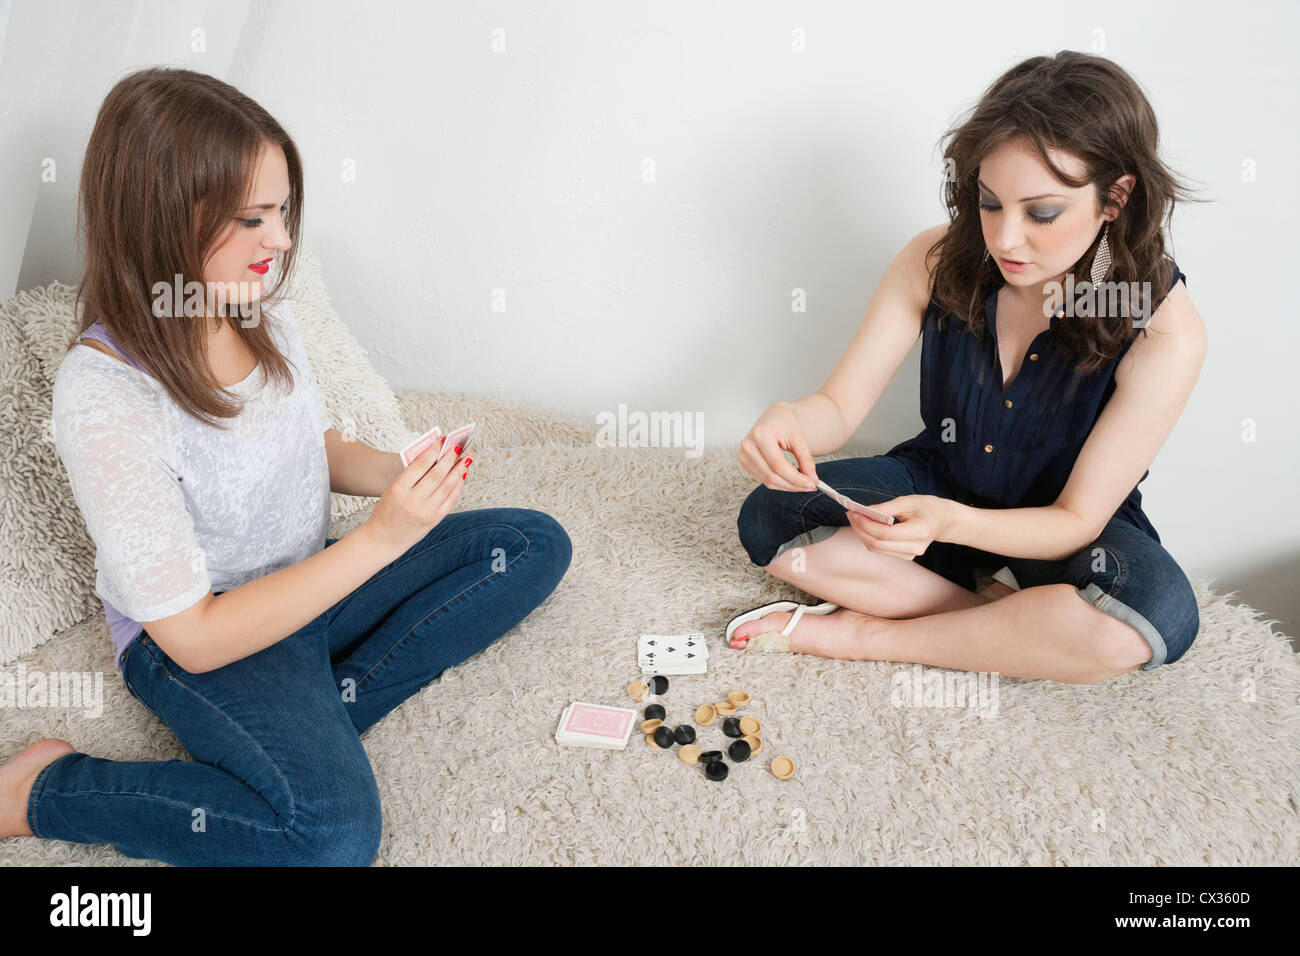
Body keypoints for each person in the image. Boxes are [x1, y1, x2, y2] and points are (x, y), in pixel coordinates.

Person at [0, 67, 571, 864]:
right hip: (208, 638)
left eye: (282, 211)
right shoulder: (104, 395)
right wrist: (380, 539)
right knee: (329, 840)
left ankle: (310, 712)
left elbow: (309, 445)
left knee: (529, 544)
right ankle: (44, 790)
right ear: (161, 217)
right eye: (252, 218)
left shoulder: (256, 306)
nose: (281, 240)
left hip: (312, 582)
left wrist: (398, 473)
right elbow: (195, 639)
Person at [733, 52, 1206, 684]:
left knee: (1156, 614)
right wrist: (790, 420)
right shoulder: (933, 258)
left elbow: (1075, 520)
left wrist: (953, 524)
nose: (1006, 239)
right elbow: (838, 409)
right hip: (938, 481)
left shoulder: (1163, 325)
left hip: (1060, 532)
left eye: (1041, 213)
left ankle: (869, 635)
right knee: (771, 516)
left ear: (1115, 198)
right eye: (989, 203)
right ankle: (1003, 627)